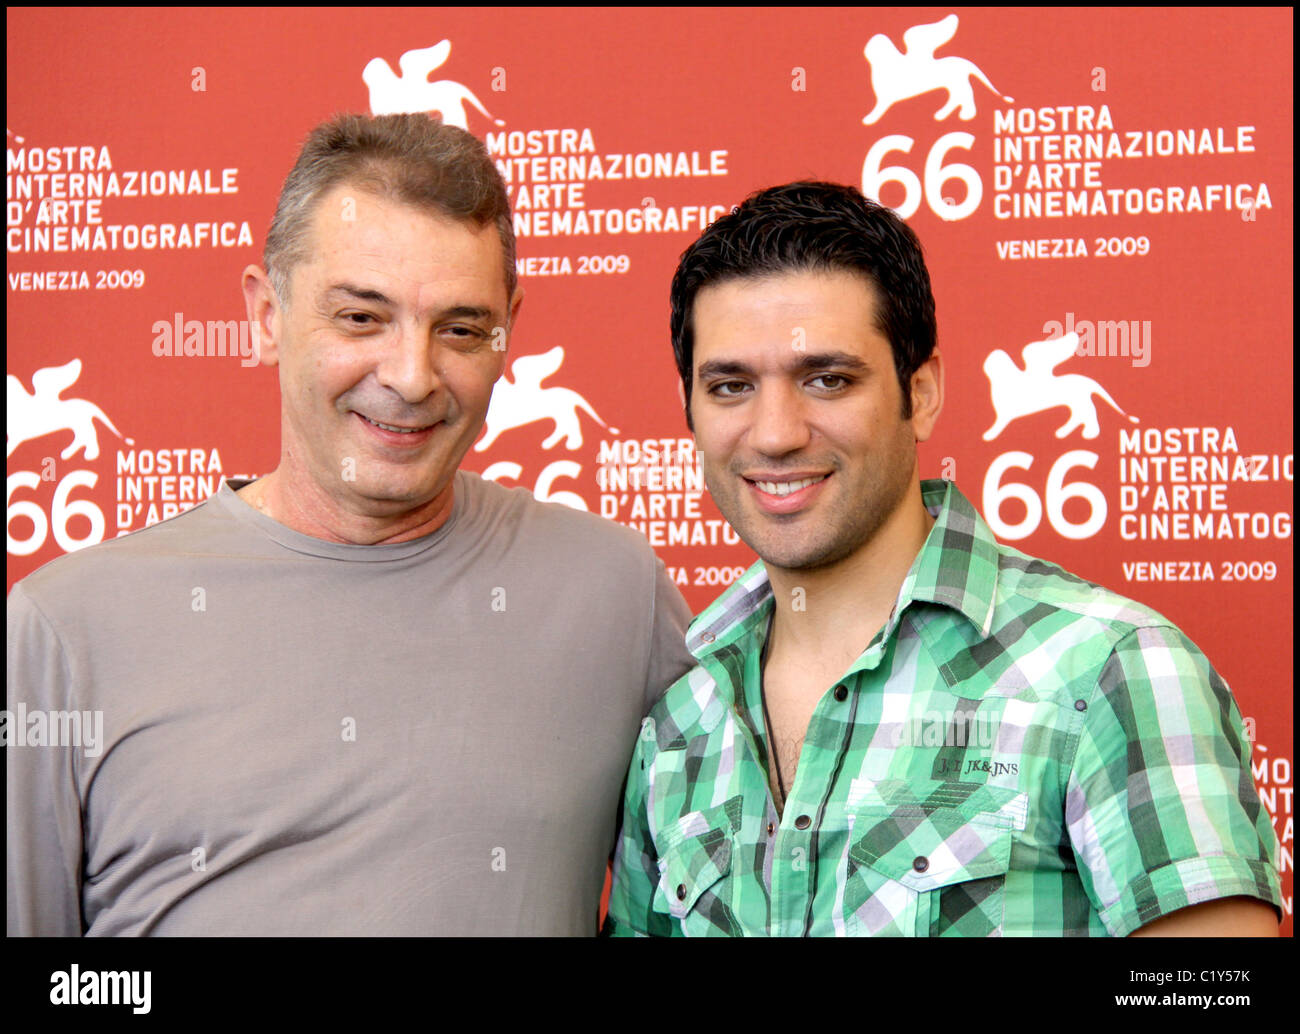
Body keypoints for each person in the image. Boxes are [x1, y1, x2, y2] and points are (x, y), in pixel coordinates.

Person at [6, 113, 694, 936]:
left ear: (509, 329)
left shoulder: (614, 592)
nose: (411, 377)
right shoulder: (63, 632)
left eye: (461, 329)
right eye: (362, 318)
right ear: (266, 316)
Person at [604, 181, 1282, 936]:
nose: (774, 433)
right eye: (730, 387)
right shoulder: (680, 719)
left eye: (827, 379)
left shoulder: (1111, 668)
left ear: (920, 393)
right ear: (691, 410)